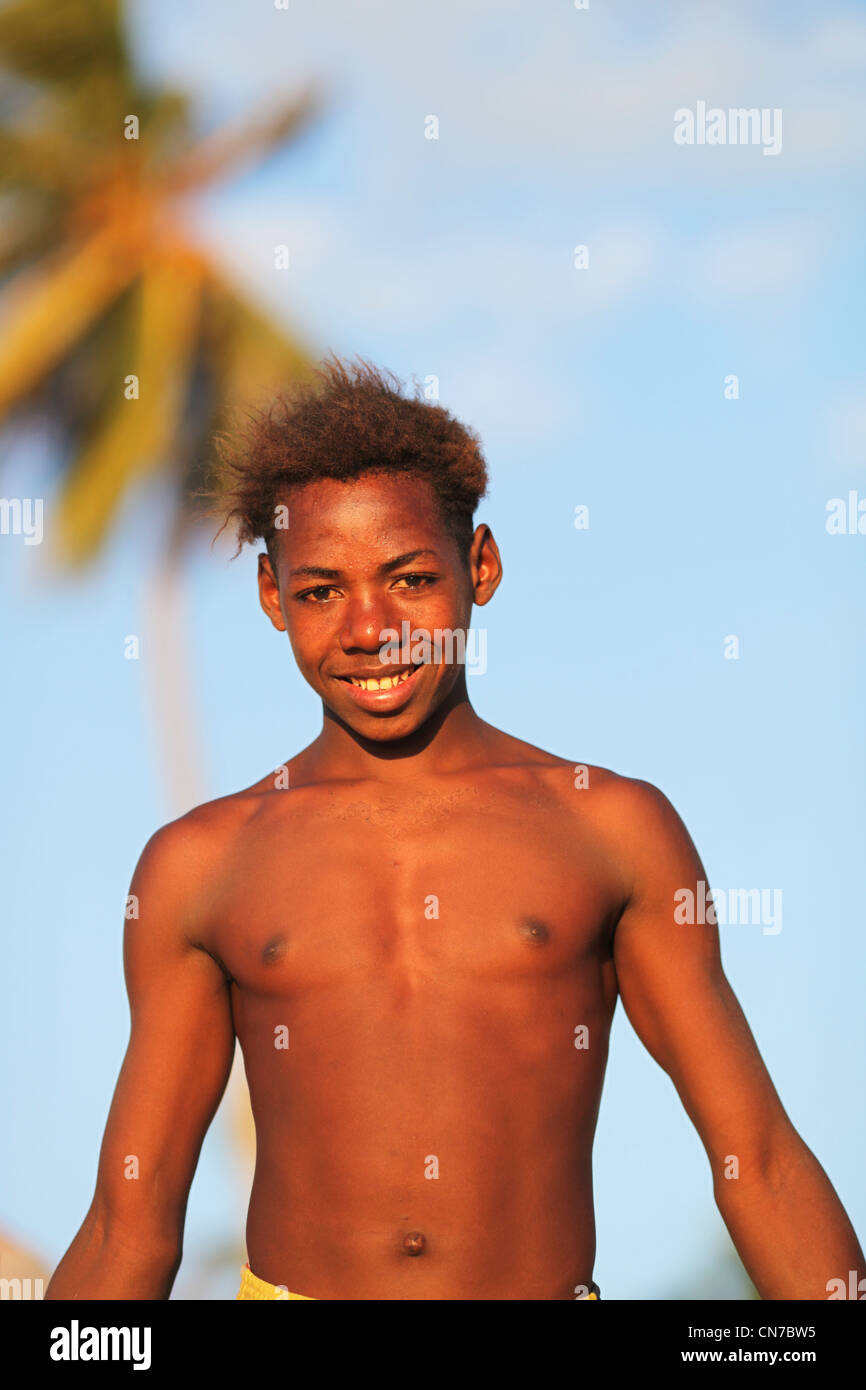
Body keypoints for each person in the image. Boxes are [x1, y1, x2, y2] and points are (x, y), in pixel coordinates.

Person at [46, 356, 863, 1301]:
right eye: (320, 592)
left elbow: (756, 1161)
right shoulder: (199, 864)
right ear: (273, 599)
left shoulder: (610, 826)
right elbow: (128, 1226)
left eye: (408, 579)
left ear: (481, 567)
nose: (368, 627)